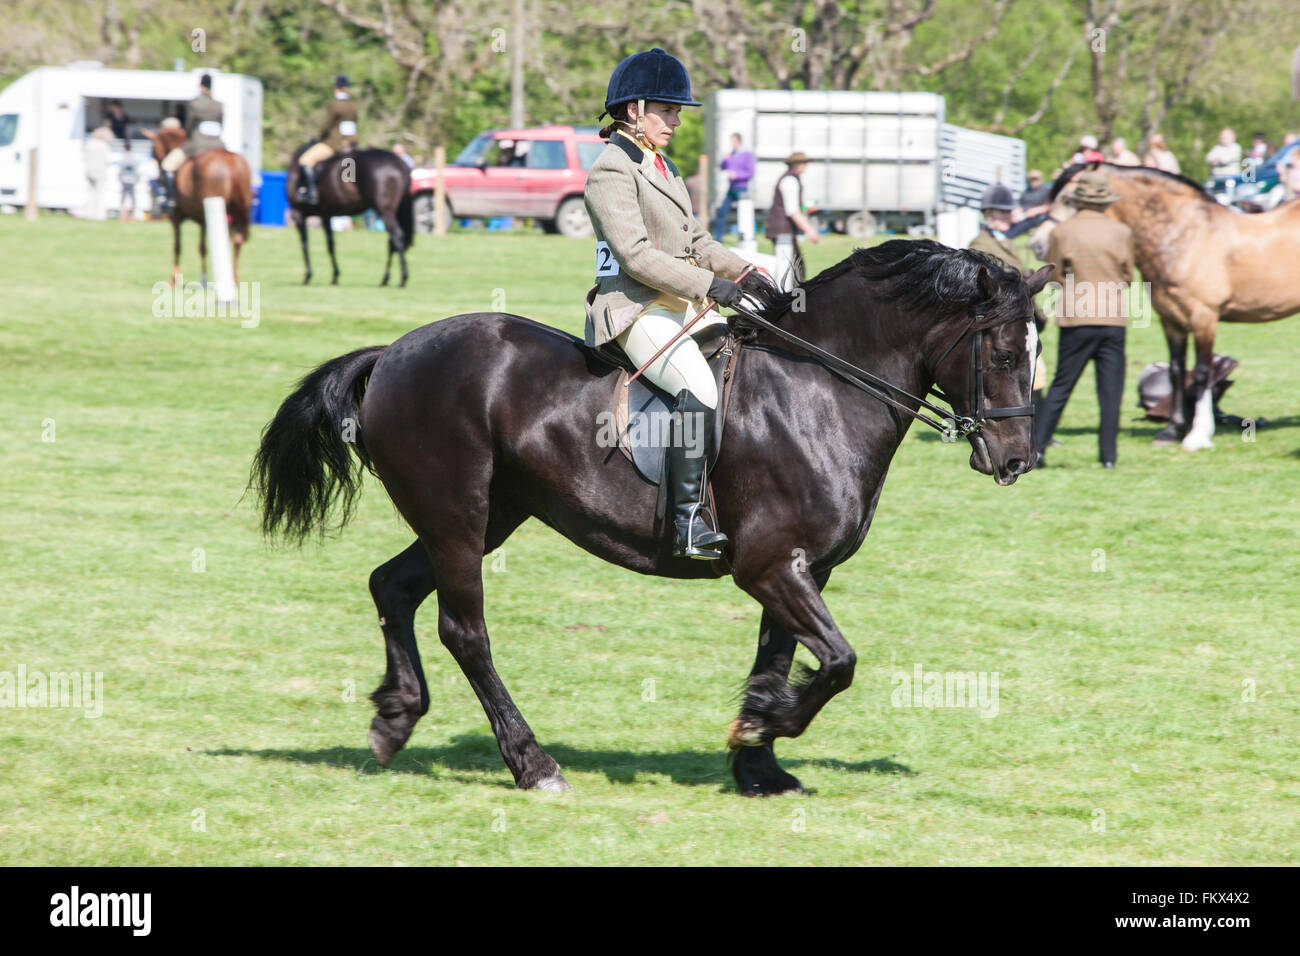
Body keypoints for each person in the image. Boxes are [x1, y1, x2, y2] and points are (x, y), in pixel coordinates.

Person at [583, 48, 766, 560]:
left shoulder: (662, 166)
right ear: (635, 109)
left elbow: (697, 238)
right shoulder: (611, 170)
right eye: (668, 110)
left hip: (680, 307)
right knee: (699, 386)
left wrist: (745, 272)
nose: (677, 121)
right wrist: (710, 285)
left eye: (679, 111)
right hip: (634, 309)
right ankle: (687, 523)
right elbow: (635, 256)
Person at [1034, 169, 1135, 469]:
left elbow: (1053, 275)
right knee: (1111, 392)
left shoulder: (1063, 231)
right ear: (1106, 202)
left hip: (1076, 317)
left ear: (1078, 200)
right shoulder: (1122, 232)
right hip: (1112, 318)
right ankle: (1108, 457)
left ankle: (1038, 449)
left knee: (1062, 386)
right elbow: (1128, 276)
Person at [968, 183, 1048, 412]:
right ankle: (1036, 431)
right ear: (989, 213)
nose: (1008, 215)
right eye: (1003, 211)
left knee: (1035, 373)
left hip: (1017, 315)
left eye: (1008, 211)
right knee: (1032, 373)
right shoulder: (980, 244)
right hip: (1001, 320)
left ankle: (1037, 430)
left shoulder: (1005, 241)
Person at [160, 74, 224, 206]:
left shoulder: (194, 104)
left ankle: (172, 198)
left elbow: (188, 128)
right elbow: (221, 126)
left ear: (201, 86)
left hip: (196, 144)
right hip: (218, 145)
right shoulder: (219, 105)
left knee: (167, 165)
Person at [297, 74, 359, 204]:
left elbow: (327, 126)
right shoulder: (353, 106)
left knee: (305, 160)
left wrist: (321, 137)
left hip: (334, 144)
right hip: (352, 143)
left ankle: (311, 192)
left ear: (336, 88)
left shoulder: (335, 105)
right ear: (347, 88)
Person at [766, 151, 820, 288]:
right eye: (804, 163)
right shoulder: (790, 181)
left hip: (783, 231)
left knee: (793, 270)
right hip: (783, 231)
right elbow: (792, 211)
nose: (806, 166)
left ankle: (796, 304)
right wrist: (810, 231)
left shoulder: (790, 179)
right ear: (797, 164)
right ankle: (796, 305)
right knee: (794, 272)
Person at [712, 132, 754, 240]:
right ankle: (718, 239)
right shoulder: (730, 155)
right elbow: (723, 168)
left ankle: (745, 238)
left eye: (734, 141)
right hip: (730, 188)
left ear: (739, 141)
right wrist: (724, 159)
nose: (732, 144)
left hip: (741, 188)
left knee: (743, 215)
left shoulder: (747, 155)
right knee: (722, 211)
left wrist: (737, 175)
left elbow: (750, 173)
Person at [83, 121, 112, 221]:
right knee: (100, 193)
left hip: (89, 170)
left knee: (90, 193)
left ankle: (89, 213)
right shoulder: (103, 145)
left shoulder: (89, 143)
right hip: (100, 171)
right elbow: (106, 160)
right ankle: (100, 215)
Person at [118, 139, 140, 221]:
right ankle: (132, 216)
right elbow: (137, 171)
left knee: (123, 198)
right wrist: (137, 180)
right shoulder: (134, 158)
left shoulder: (123, 158)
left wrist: (120, 178)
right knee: (132, 198)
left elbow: (120, 170)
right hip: (132, 180)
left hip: (124, 180)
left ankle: (122, 216)